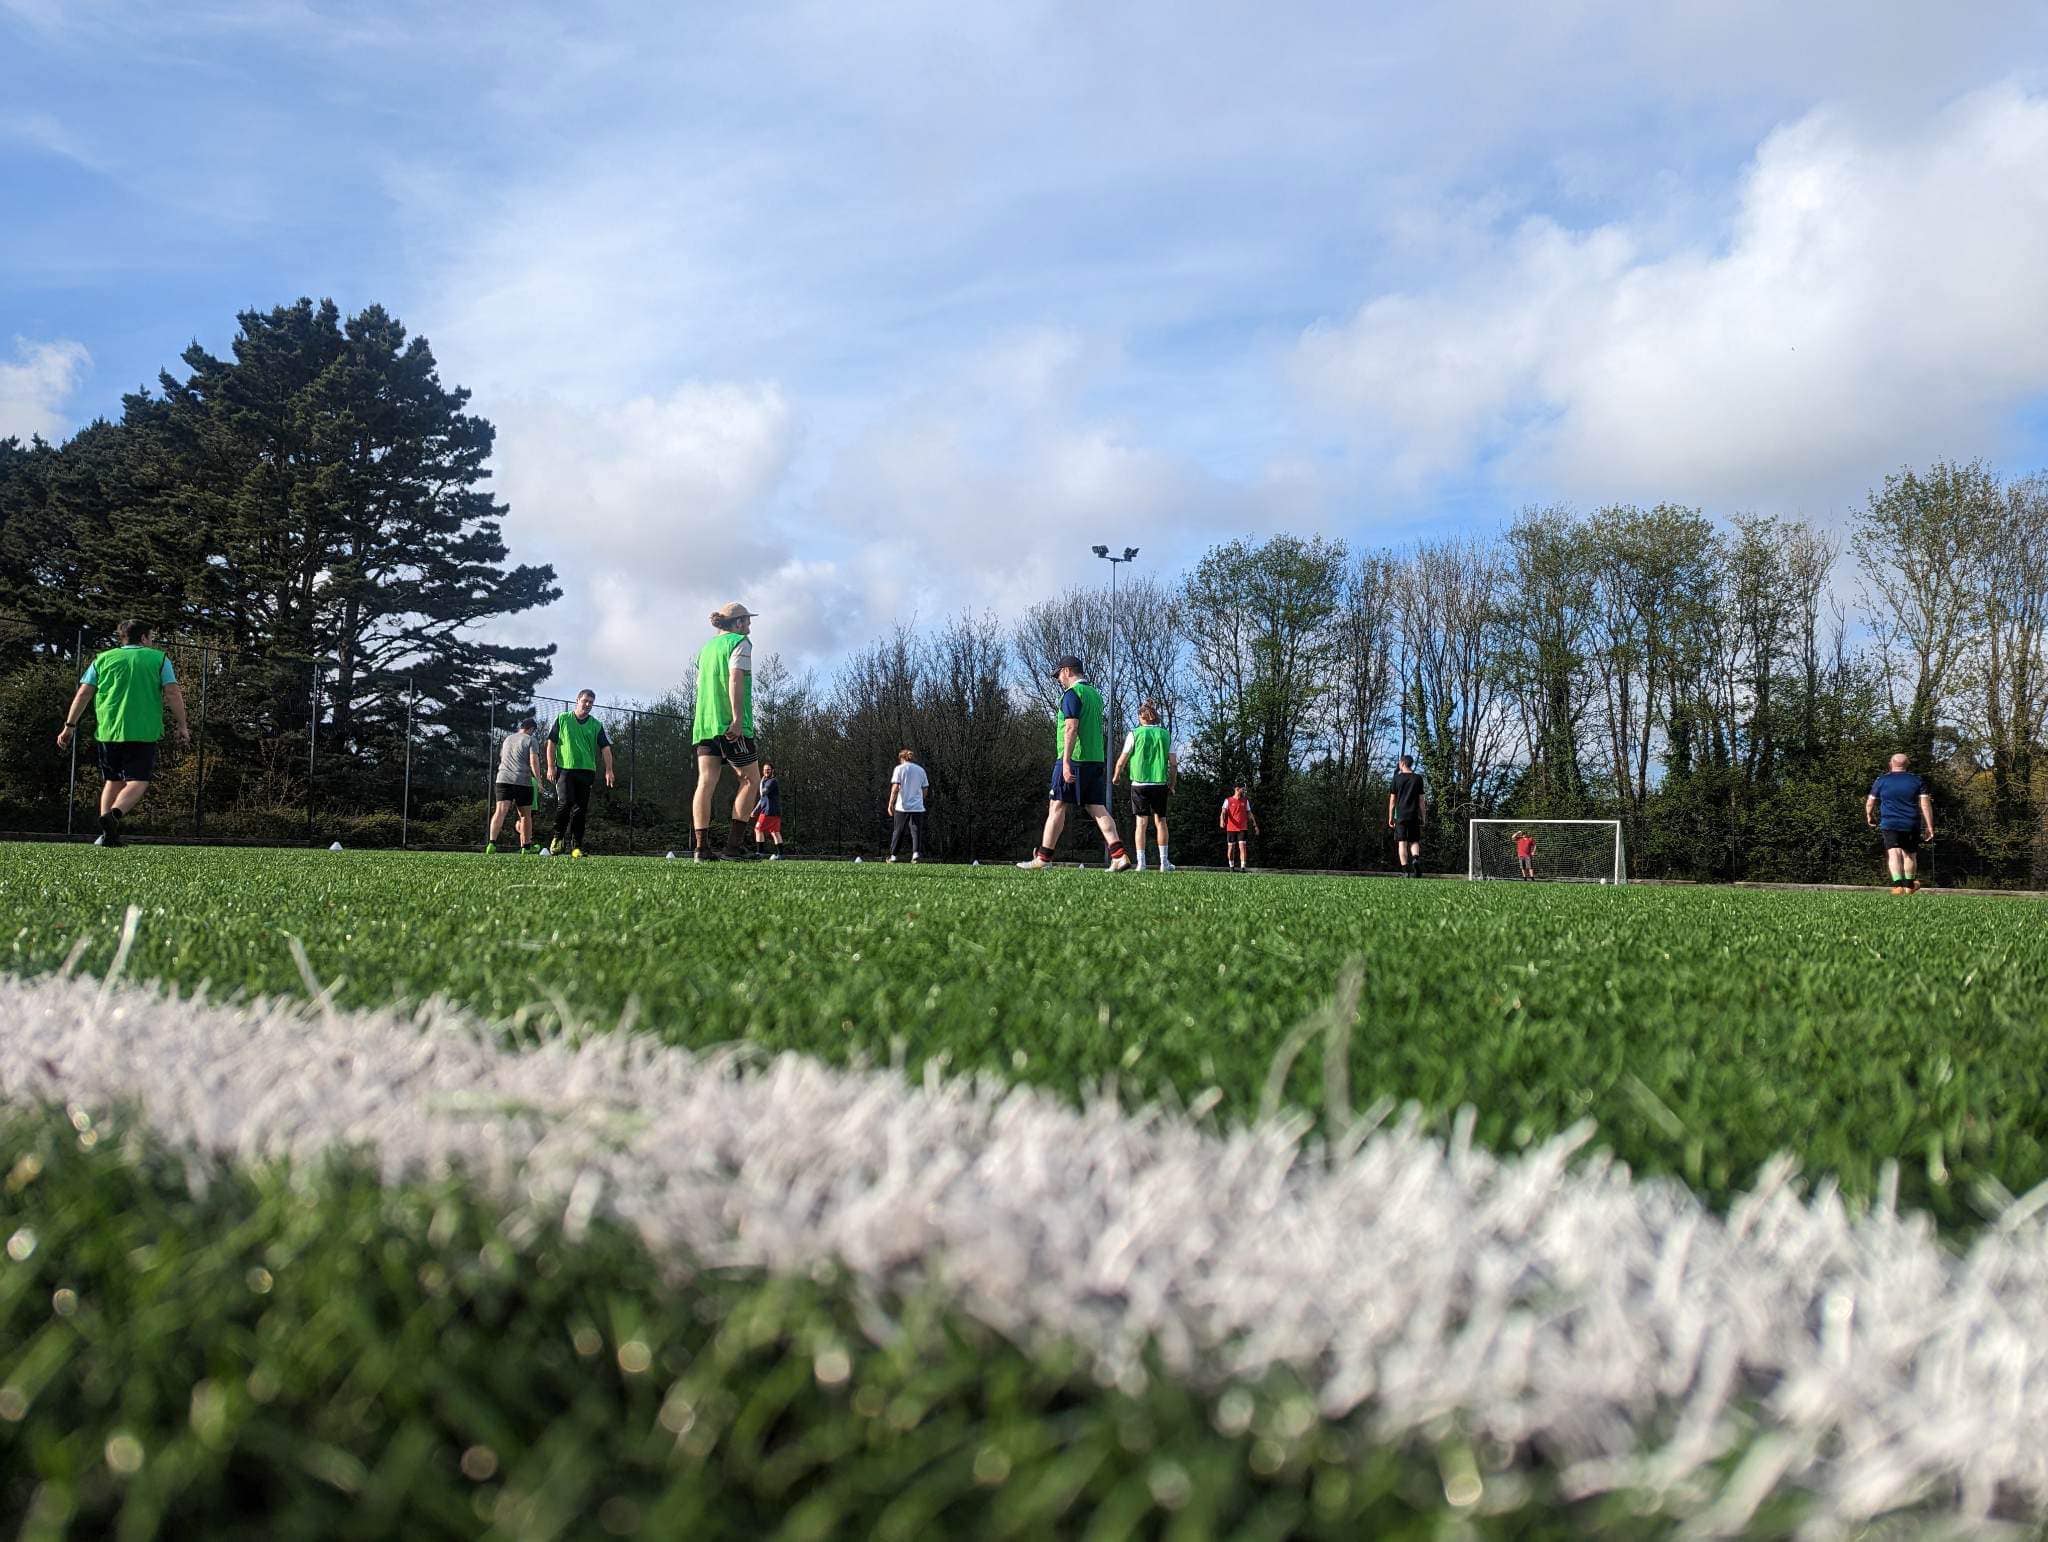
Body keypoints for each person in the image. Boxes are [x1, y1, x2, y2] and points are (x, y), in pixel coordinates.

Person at [55, 619, 191, 847]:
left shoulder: (102, 659)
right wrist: (182, 725)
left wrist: (69, 726)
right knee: (139, 781)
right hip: (143, 730)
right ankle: (114, 816)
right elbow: (172, 693)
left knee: (112, 780)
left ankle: (108, 836)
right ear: (144, 637)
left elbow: (83, 694)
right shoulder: (159, 659)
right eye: (151, 637)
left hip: (109, 730)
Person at [1017, 656, 1131, 871]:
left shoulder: (1072, 694)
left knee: (1057, 805)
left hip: (1074, 758)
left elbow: (1071, 728)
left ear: (1067, 671)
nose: (1059, 679)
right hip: (1095, 759)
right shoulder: (1095, 695)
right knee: (1097, 807)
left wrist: (1066, 762)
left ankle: (1043, 858)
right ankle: (1119, 855)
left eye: (1059, 674)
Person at [691, 602, 763, 861]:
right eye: (747, 620)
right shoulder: (739, 643)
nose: (750, 625)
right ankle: (733, 848)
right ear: (739, 623)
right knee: (751, 780)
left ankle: (701, 849)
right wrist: (736, 719)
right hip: (730, 725)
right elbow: (735, 678)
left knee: (705, 782)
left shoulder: (705, 650)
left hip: (704, 724)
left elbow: (700, 687)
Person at [545, 690, 615, 858]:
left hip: (587, 771)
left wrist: (609, 769)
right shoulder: (563, 719)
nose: (588, 704)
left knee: (580, 810)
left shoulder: (596, 725)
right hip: (565, 769)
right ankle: (558, 837)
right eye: (585, 701)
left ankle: (576, 847)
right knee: (565, 803)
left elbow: (605, 748)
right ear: (577, 700)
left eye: (591, 702)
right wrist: (550, 767)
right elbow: (551, 744)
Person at [1113, 701, 1177, 871]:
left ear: (1141, 717)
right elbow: (1173, 764)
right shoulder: (1165, 734)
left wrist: (1116, 775)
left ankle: (1141, 864)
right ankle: (1164, 863)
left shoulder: (1134, 733)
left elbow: (1122, 759)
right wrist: (1172, 783)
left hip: (1139, 784)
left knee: (1140, 824)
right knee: (1161, 821)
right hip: (1159, 783)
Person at [1866, 752, 1935, 894]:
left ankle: (1897, 886)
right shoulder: (1917, 780)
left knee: (1893, 854)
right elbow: (1925, 805)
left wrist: (1869, 815)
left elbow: (1870, 802)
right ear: (1907, 765)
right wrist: (1929, 826)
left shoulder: (1881, 780)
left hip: (1889, 822)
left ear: (1890, 764)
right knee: (1909, 854)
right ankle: (1909, 886)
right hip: (1910, 823)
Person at [487, 715, 543, 853]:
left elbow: (503, 757)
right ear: (531, 729)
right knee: (525, 815)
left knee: (500, 811)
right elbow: (533, 761)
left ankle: (491, 844)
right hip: (522, 781)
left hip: (503, 778)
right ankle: (526, 847)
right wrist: (539, 781)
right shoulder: (531, 739)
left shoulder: (507, 739)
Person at [887, 749, 930, 862]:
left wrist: (891, 803)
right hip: (917, 807)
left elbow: (895, 788)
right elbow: (925, 788)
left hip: (902, 806)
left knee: (898, 830)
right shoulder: (921, 770)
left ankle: (894, 856)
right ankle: (915, 854)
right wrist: (920, 799)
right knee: (916, 831)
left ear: (901, 758)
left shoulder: (899, 769)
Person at [1388, 754, 1427, 877]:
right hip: (1414, 815)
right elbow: (1421, 801)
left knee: (1402, 842)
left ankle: (1405, 872)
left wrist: (1390, 817)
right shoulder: (1418, 778)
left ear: (1403, 763)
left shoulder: (1396, 778)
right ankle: (1415, 859)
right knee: (1414, 840)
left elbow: (1392, 801)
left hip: (1401, 815)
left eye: (1400, 763)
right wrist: (1424, 816)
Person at [1219, 783, 1258, 870]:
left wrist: (1255, 825)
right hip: (1231, 828)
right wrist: (1222, 820)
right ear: (1237, 789)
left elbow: (1250, 813)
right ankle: (1231, 867)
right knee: (1231, 849)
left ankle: (1243, 868)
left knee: (1242, 847)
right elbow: (1223, 812)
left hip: (1242, 828)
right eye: (1243, 789)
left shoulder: (1245, 800)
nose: (1244, 790)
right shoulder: (1228, 800)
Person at [754, 760, 784, 858]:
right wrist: (755, 810)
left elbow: (763, 793)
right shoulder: (767, 781)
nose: (766, 771)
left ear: (772, 771)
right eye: (765, 770)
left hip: (768, 812)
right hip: (774, 812)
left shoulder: (772, 781)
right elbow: (762, 799)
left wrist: (761, 782)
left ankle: (760, 853)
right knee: (775, 832)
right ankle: (780, 855)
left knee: (758, 829)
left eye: (768, 769)